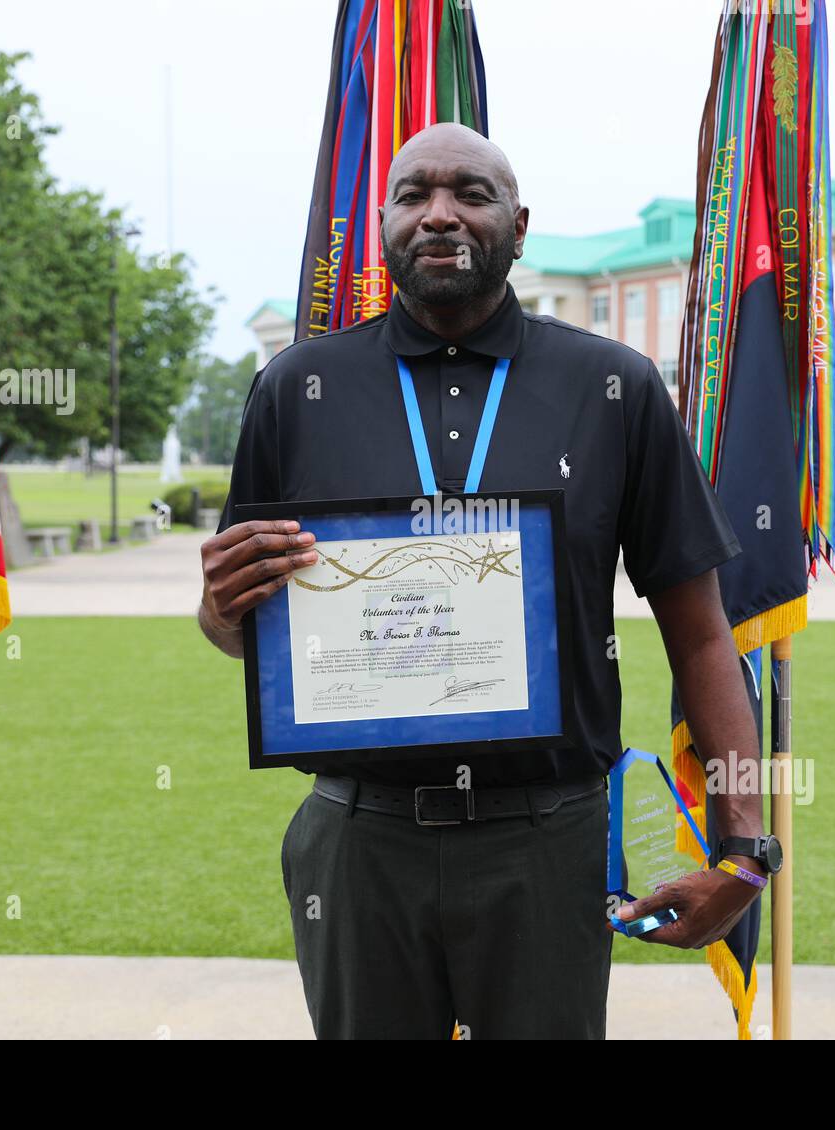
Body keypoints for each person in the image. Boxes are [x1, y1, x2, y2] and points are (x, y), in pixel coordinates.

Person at [199, 122, 773, 1039]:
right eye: (413, 194)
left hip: (547, 841)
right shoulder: (297, 388)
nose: (440, 214)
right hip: (360, 841)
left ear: (518, 223)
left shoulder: (613, 387)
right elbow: (243, 629)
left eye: (471, 193)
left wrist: (745, 850)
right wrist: (219, 606)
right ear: (381, 221)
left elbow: (702, 633)